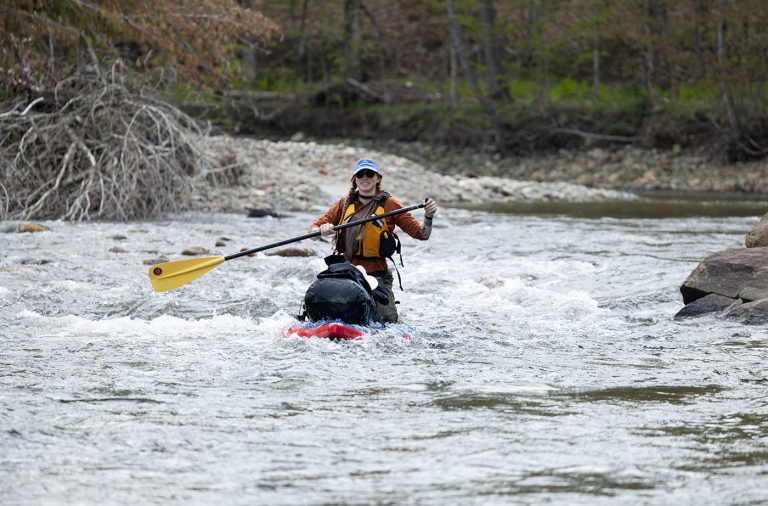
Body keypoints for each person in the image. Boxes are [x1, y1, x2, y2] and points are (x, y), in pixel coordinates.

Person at [308, 158, 438, 323]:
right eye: (360, 174)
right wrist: (320, 231)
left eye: (370, 174)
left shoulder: (391, 205)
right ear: (355, 179)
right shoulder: (342, 205)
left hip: (377, 275)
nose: (365, 178)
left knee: (389, 319)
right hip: (347, 273)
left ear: (378, 178)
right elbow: (313, 229)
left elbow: (422, 234)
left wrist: (428, 216)